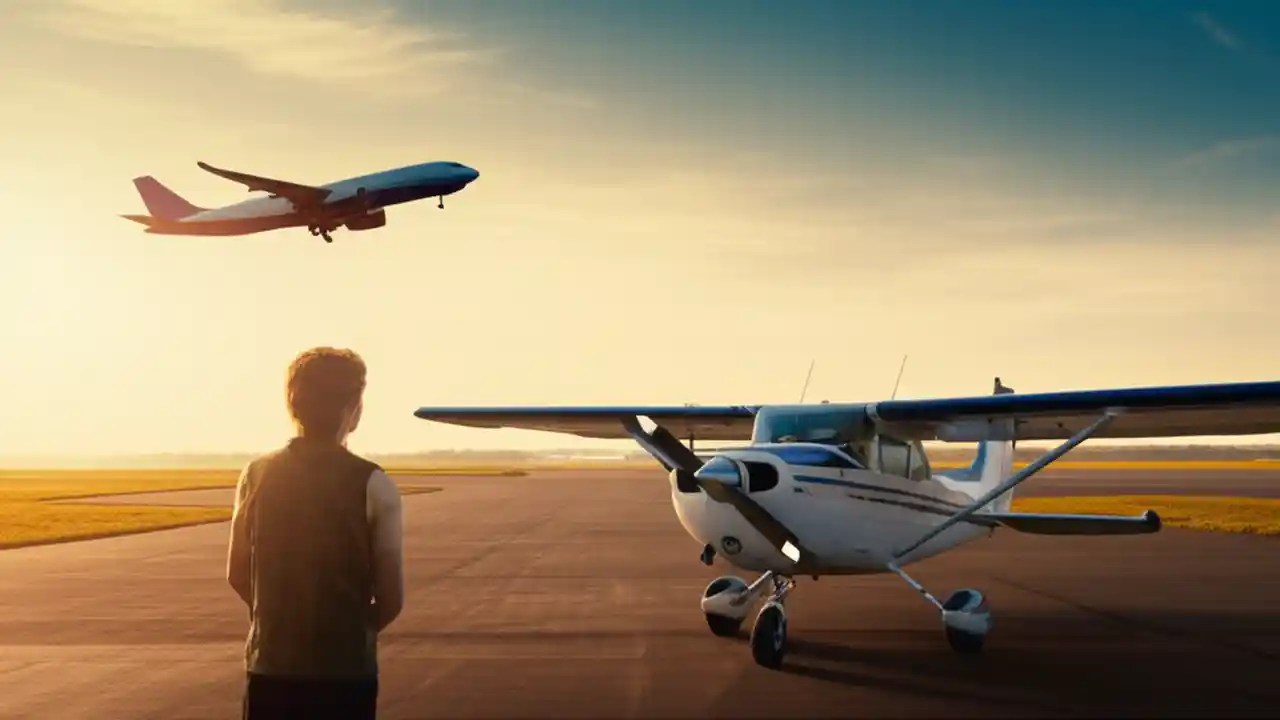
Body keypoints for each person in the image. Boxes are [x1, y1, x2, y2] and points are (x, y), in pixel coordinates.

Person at [227, 347, 404, 719]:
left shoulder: (256, 475)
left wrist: (277, 624)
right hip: (345, 674)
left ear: (293, 405)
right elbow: (390, 597)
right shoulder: (374, 483)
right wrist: (351, 633)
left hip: (270, 668)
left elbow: (237, 573)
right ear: (353, 408)